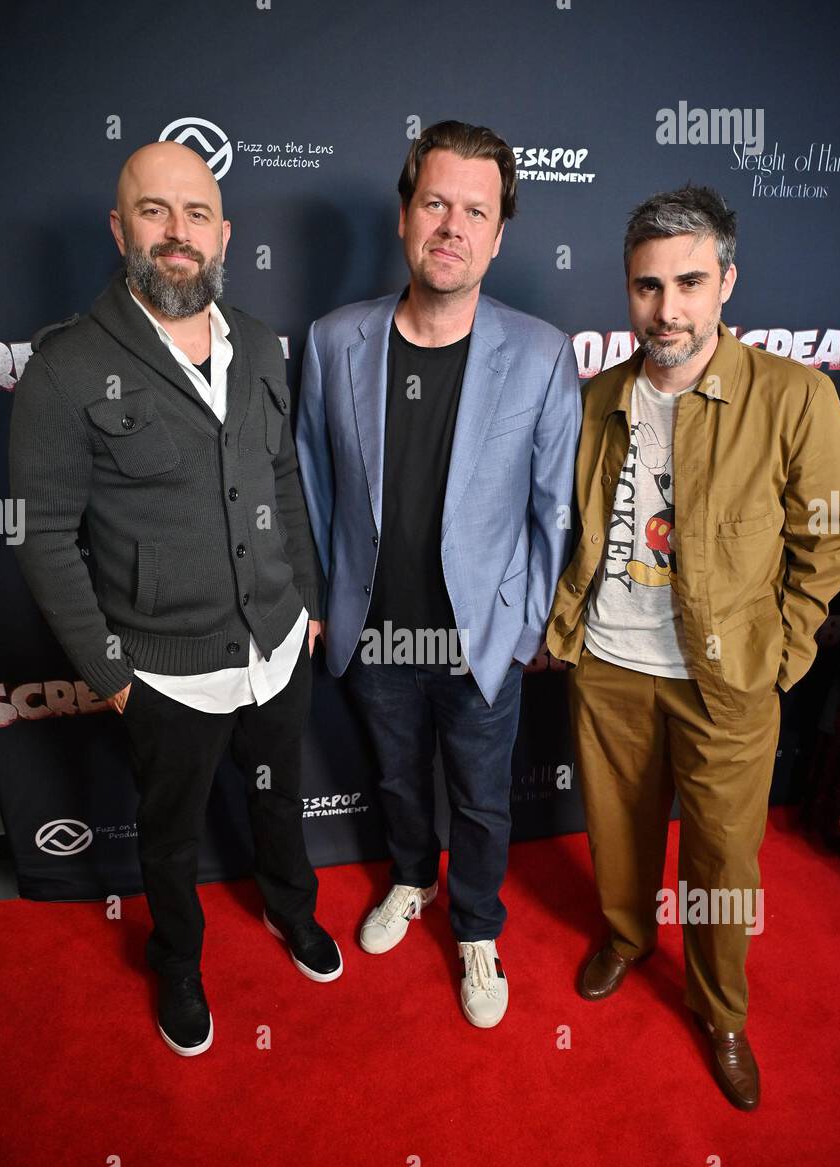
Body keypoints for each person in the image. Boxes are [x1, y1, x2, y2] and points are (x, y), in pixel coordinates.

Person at [9, 141, 340, 1059]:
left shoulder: (265, 342)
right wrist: (112, 675)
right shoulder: (67, 368)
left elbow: (282, 477)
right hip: (162, 676)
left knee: (279, 804)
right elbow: (40, 537)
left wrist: (306, 602)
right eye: (155, 212)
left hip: (277, 650)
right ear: (121, 229)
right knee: (169, 839)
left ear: (224, 234)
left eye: (197, 214)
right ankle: (179, 962)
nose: (178, 233)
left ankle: (291, 912)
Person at [546, 183, 840, 1108]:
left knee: (724, 862)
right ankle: (628, 937)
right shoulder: (598, 397)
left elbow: (826, 542)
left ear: (726, 281)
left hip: (728, 679)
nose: (665, 309)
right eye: (646, 287)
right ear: (628, 291)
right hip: (609, 665)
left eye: (687, 282)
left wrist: (783, 655)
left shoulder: (794, 396)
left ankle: (721, 1012)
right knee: (618, 832)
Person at [296, 121, 580, 1028]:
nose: (452, 226)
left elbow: (551, 512)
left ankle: (477, 930)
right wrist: (318, 605)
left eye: (476, 211)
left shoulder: (538, 354)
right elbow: (309, 481)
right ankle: (413, 880)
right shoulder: (336, 341)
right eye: (435, 204)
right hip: (371, 628)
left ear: (498, 235)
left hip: (481, 640)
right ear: (405, 216)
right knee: (398, 782)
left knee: (485, 800)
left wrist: (528, 625)